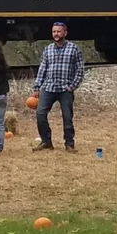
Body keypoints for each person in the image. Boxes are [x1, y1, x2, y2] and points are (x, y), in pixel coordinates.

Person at [32, 22, 85, 152]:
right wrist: (37, 87)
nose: (56, 34)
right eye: (54, 31)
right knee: (40, 114)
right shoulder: (48, 49)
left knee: (67, 117)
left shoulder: (74, 49)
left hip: (65, 90)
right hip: (49, 88)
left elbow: (80, 70)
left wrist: (73, 86)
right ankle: (46, 141)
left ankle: (69, 144)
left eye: (58, 31)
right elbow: (43, 69)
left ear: (65, 33)